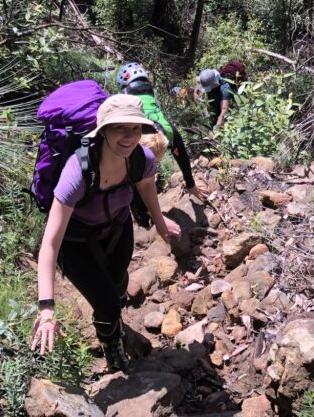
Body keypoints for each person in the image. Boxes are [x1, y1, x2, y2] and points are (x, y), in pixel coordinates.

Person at [30, 94, 181, 372]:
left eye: (135, 128)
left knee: (119, 282)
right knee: (108, 302)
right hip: (74, 243)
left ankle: (114, 322)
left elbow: (147, 184)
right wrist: (47, 308)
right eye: (120, 128)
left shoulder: (141, 158)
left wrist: (159, 221)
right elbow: (50, 244)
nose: (129, 136)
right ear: (103, 130)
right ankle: (112, 346)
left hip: (117, 228)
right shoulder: (78, 171)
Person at [116, 62, 207, 202]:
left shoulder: (126, 133)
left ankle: (141, 217)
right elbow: (181, 155)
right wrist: (191, 184)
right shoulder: (168, 130)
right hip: (154, 133)